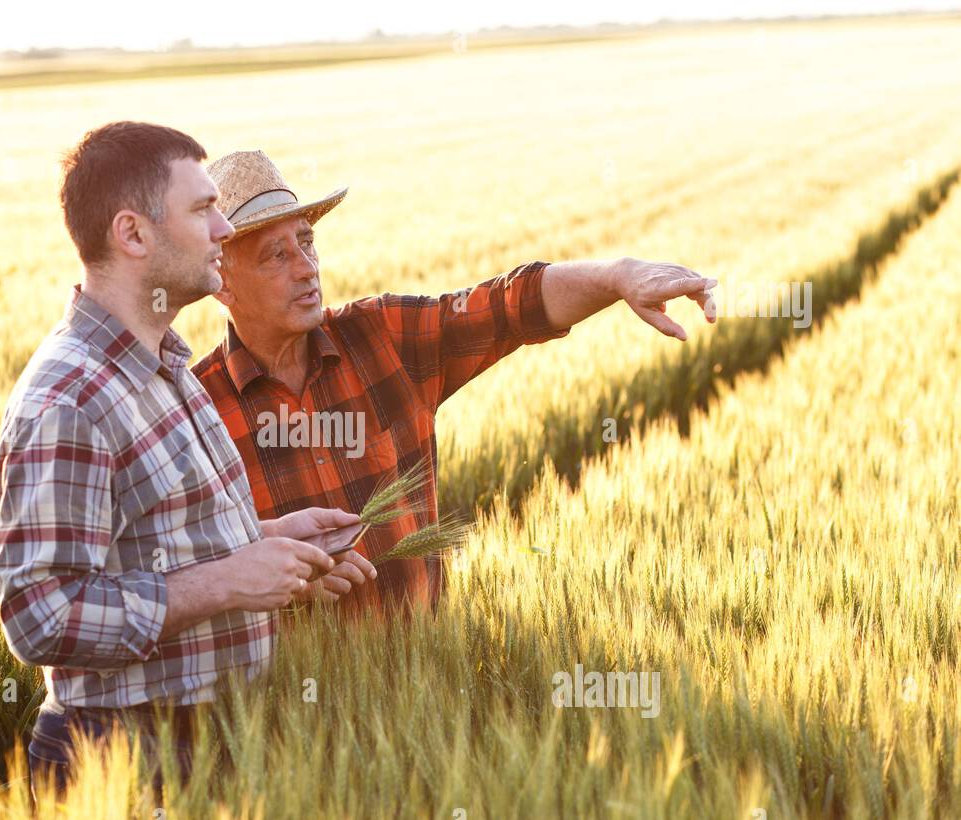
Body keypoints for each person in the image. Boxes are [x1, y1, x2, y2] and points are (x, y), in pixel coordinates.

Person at [0, 123, 371, 800]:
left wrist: (272, 547)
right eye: (204, 209)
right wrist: (228, 581)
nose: (225, 229)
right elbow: (38, 614)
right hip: (127, 766)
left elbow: (155, 546)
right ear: (133, 234)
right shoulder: (69, 399)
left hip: (213, 746)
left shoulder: (166, 362)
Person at [192, 149, 716, 612]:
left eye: (306, 243)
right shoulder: (195, 412)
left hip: (431, 676)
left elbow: (508, 306)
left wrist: (616, 277)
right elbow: (177, 570)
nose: (306, 268)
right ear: (221, 281)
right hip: (293, 709)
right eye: (276, 255)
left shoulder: (381, 337)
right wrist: (276, 584)